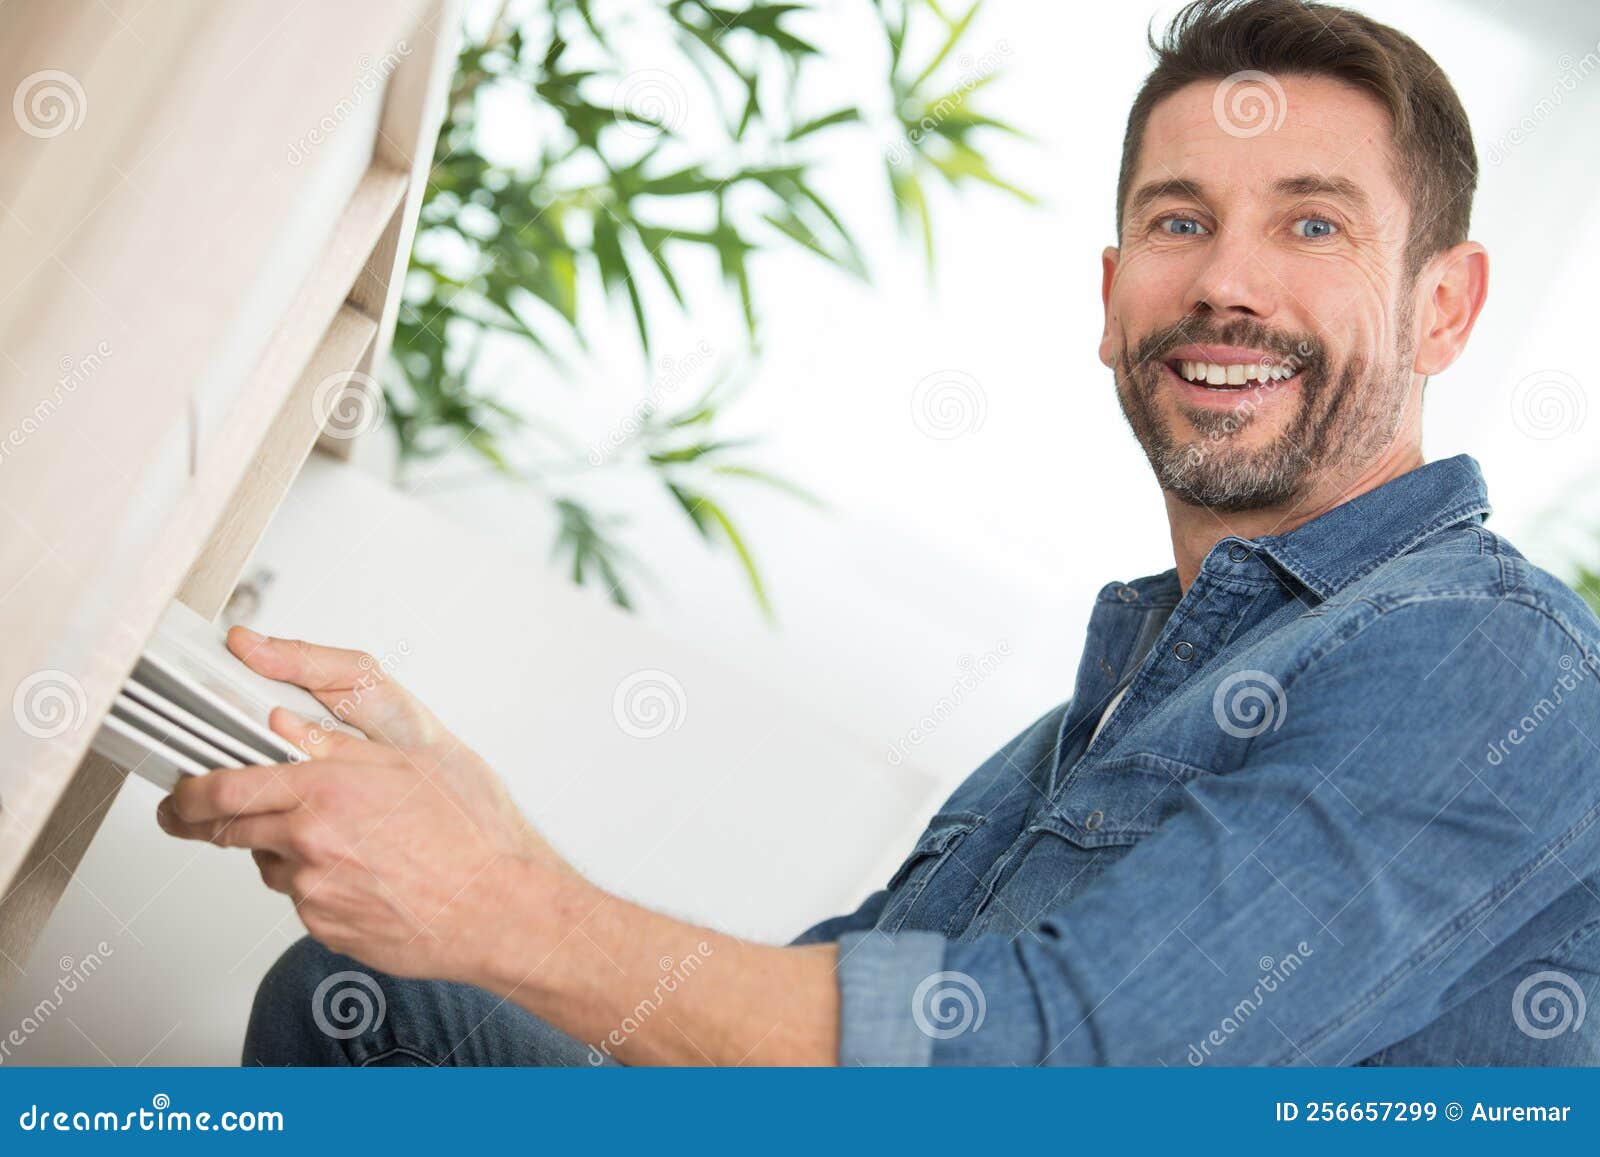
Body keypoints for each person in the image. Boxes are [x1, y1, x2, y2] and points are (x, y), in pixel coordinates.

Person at [160, 0, 1600, 1065]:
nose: (1227, 282)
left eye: (1312, 226)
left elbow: (1059, 1076)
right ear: (1110, 300)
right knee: (380, 1008)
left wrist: (498, 905)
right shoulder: (1101, 713)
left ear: (1446, 306)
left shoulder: (1489, 661)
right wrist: (487, 844)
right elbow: (784, 1055)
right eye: (1179, 222)